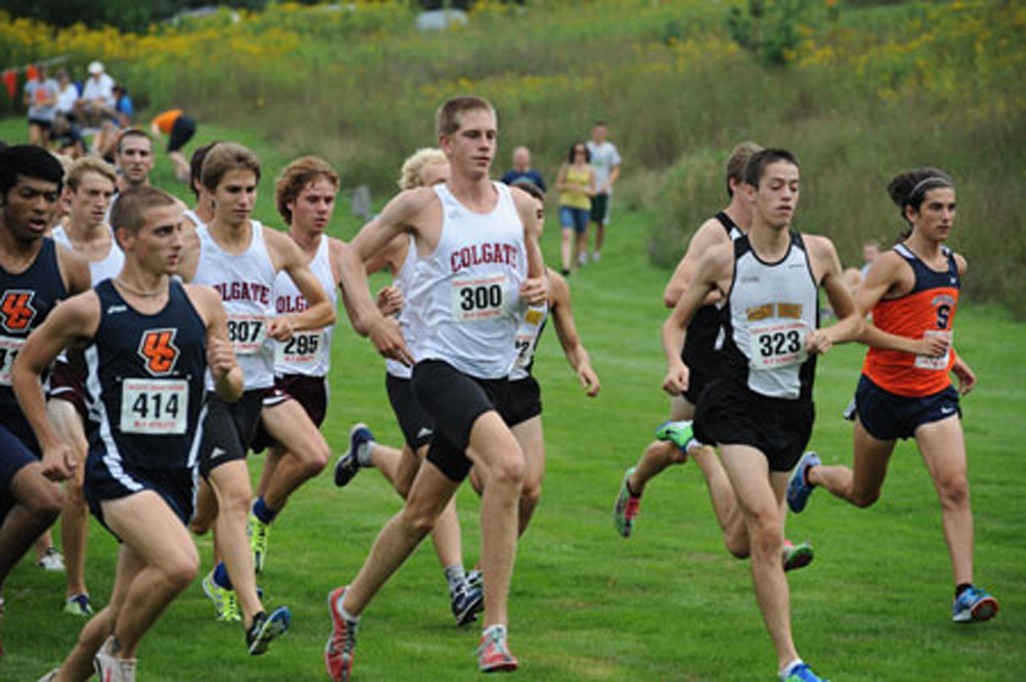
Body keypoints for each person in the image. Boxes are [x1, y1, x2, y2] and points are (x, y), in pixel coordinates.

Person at [326, 95, 546, 679]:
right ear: (446, 143)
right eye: (472, 135)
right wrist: (368, 320)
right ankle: (494, 632)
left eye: (491, 134)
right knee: (508, 467)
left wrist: (538, 288)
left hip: (498, 374)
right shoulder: (422, 206)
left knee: (421, 514)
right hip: (438, 368)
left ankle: (347, 607)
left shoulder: (518, 205)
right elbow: (350, 257)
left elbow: (537, 274)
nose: (485, 145)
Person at [15, 186, 244, 682]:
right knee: (180, 565)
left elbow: (231, 391)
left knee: (122, 605)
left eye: (179, 229)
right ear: (127, 239)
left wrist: (226, 371)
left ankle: (65, 677)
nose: (177, 241)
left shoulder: (203, 302)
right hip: (117, 469)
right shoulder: (89, 309)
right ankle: (118, 659)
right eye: (163, 232)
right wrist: (50, 442)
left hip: (177, 473)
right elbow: (25, 368)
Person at [658, 149, 862, 682]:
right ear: (750, 191)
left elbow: (855, 319)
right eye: (776, 186)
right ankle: (790, 662)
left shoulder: (818, 252)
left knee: (740, 541)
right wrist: (676, 364)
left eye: (794, 185)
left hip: (791, 411)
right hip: (734, 404)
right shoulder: (723, 258)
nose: (787, 195)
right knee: (769, 529)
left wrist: (830, 333)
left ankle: (697, 448)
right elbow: (674, 321)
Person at [786, 168, 999, 624]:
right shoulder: (891, 265)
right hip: (882, 394)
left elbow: (932, 322)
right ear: (911, 213)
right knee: (864, 494)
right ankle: (813, 473)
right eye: (936, 208)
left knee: (955, 488)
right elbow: (856, 323)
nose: (946, 216)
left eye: (952, 208)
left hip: (933, 396)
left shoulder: (955, 265)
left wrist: (951, 357)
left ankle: (965, 592)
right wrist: (831, 335)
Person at [611, 141, 813, 569]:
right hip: (704, 360)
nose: (772, 193)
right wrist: (722, 291)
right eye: (760, 184)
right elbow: (672, 293)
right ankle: (636, 481)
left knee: (744, 448)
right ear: (739, 186)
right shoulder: (715, 233)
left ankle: (772, 538)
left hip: (745, 364)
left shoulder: (775, 235)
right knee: (680, 449)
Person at [177, 142, 333, 651]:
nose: (244, 200)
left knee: (208, 514)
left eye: (250, 190)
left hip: (257, 388)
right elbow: (151, 300)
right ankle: (252, 613)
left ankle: (192, 540)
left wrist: (292, 321)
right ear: (208, 191)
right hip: (205, 392)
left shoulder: (274, 245)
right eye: (233, 191)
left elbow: (324, 308)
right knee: (237, 495)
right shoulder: (191, 248)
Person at [333, 147, 485, 626]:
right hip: (411, 375)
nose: (444, 192)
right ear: (414, 190)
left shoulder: (466, 231)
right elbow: (347, 270)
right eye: (434, 184)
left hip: (456, 373)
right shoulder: (398, 239)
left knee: (411, 481)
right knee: (438, 479)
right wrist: (374, 315)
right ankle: (459, 584)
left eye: (448, 182)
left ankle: (366, 452)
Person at [471, 178, 601, 538]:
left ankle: (489, 566)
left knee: (530, 491)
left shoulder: (554, 284)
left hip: (520, 387)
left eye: (539, 214)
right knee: (494, 482)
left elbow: (572, 344)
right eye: (524, 213)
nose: (533, 220)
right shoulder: (486, 271)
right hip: (479, 385)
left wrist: (583, 365)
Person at [0, 145, 90, 659]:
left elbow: (82, 347)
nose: (41, 207)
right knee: (45, 499)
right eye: (28, 195)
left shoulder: (69, 269)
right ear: (3, 196)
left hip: (23, 412)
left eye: (50, 197)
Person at [246, 156, 342, 575]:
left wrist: (381, 310)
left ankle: (233, 568)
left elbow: (357, 313)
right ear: (290, 203)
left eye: (329, 201)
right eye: (313, 200)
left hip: (312, 381)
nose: (322, 208)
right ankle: (252, 524)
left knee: (276, 482)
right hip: (269, 376)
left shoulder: (337, 254)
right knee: (312, 457)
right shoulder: (267, 249)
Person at [47, 156, 124, 618]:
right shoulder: (51, 246)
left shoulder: (123, 246)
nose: (100, 203)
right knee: (76, 475)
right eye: (92, 194)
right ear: (68, 196)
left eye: (107, 195)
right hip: (60, 371)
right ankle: (76, 589)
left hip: (111, 375)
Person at [555, 140, 595, 274]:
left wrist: (583, 189)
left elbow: (593, 191)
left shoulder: (590, 169)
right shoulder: (567, 167)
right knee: (566, 234)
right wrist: (568, 186)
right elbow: (558, 186)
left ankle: (576, 263)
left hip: (583, 205)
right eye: (577, 152)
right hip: (567, 204)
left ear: (586, 154)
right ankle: (566, 266)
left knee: (580, 236)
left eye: (582, 152)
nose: (579, 155)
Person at [585, 120, 621, 262]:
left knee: (601, 222)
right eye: (597, 132)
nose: (599, 134)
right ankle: (582, 251)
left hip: (603, 190)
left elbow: (616, 169)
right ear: (593, 132)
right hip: (588, 190)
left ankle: (597, 251)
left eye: (602, 132)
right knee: (586, 221)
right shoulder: (587, 147)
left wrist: (608, 184)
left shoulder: (610, 149)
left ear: (605, 133)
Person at [150, 109, 197, 183]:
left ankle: (189, 170)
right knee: (177, 150)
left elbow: (155, 132)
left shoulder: (156, 120)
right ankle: (181, 176)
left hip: (180, 123)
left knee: (171, 151)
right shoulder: (168, 117)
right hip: (191, 124)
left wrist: (163, 144)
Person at [23, 64, 59, 149]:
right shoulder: (30, 84)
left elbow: (55, 100)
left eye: (44, 72)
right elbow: (25, 100)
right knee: (34, 140)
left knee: (46, 141)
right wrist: (33, 102)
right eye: (40, 73)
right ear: (37, 73)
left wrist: (41, 103)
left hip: (47, 117)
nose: (42, 75)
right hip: (34, 116)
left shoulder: (52, 84)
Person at [74, 61, 115, 129]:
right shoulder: (90, 81)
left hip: (108, 105)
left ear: (100, 72)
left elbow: (103, 98)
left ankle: (99, 127)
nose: (94, 75)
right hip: (92, 103)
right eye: (93, 73)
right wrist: (81, 101)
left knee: (95, 105)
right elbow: (85, 96)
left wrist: (89, 101)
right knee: (76, 105)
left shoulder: (107, 80)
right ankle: (85, 126)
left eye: (96, 73)